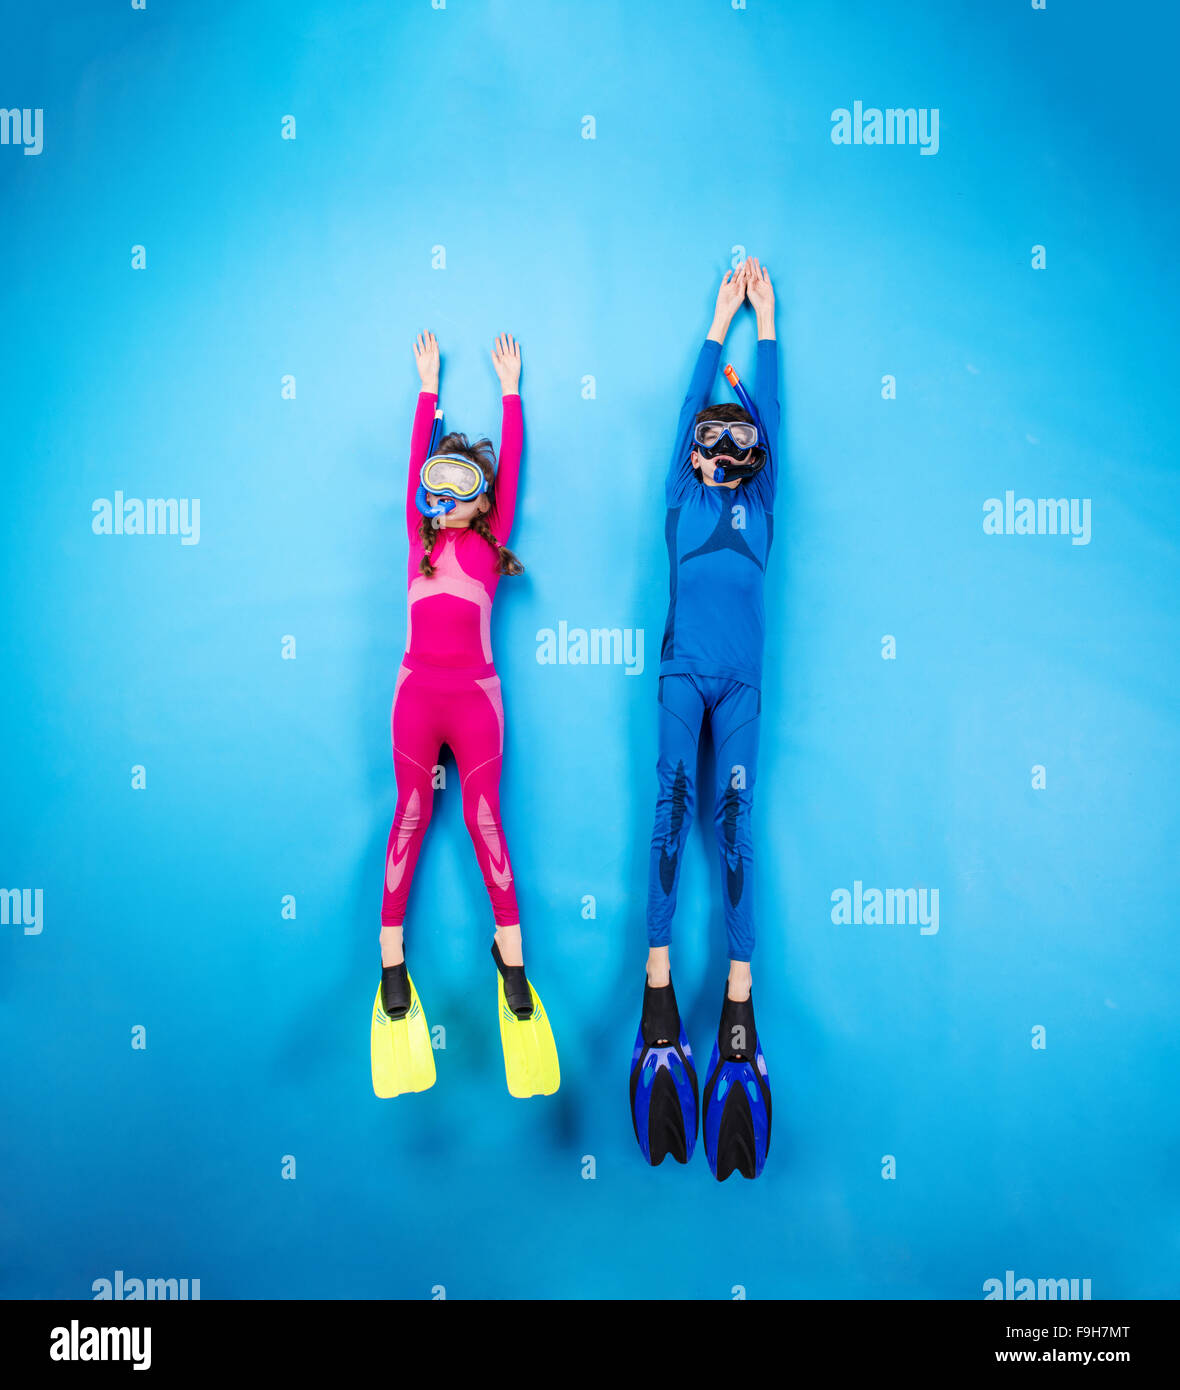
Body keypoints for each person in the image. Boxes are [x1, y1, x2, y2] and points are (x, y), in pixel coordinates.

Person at [369, 332, 558, 1101]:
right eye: (434, 483)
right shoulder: (417, 540)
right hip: (417, 696)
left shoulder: (489, 542)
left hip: (475, 701)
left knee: (485, 824)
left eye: (461, 486)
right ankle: (390, 963)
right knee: (410, 817)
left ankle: (511, 961)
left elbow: (508, 472)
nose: (444, 498)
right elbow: (411, 461)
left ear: (481, 501)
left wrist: (511, 393)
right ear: (424, 493)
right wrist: (427, 387)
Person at [629, 259, 779, 1179]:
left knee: (734, 826)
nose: (723, 454)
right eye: (710, 441)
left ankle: (737, 998)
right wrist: (718, 322)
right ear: (692, 453)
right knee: (672, 808)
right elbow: (697, 402)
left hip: (745, 685)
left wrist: (770, 330)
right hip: (685, 672)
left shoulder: (763, 501)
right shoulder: (681, 496)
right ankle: (656, 992)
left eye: (740, 444)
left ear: (754, 460)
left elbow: (777, 422)